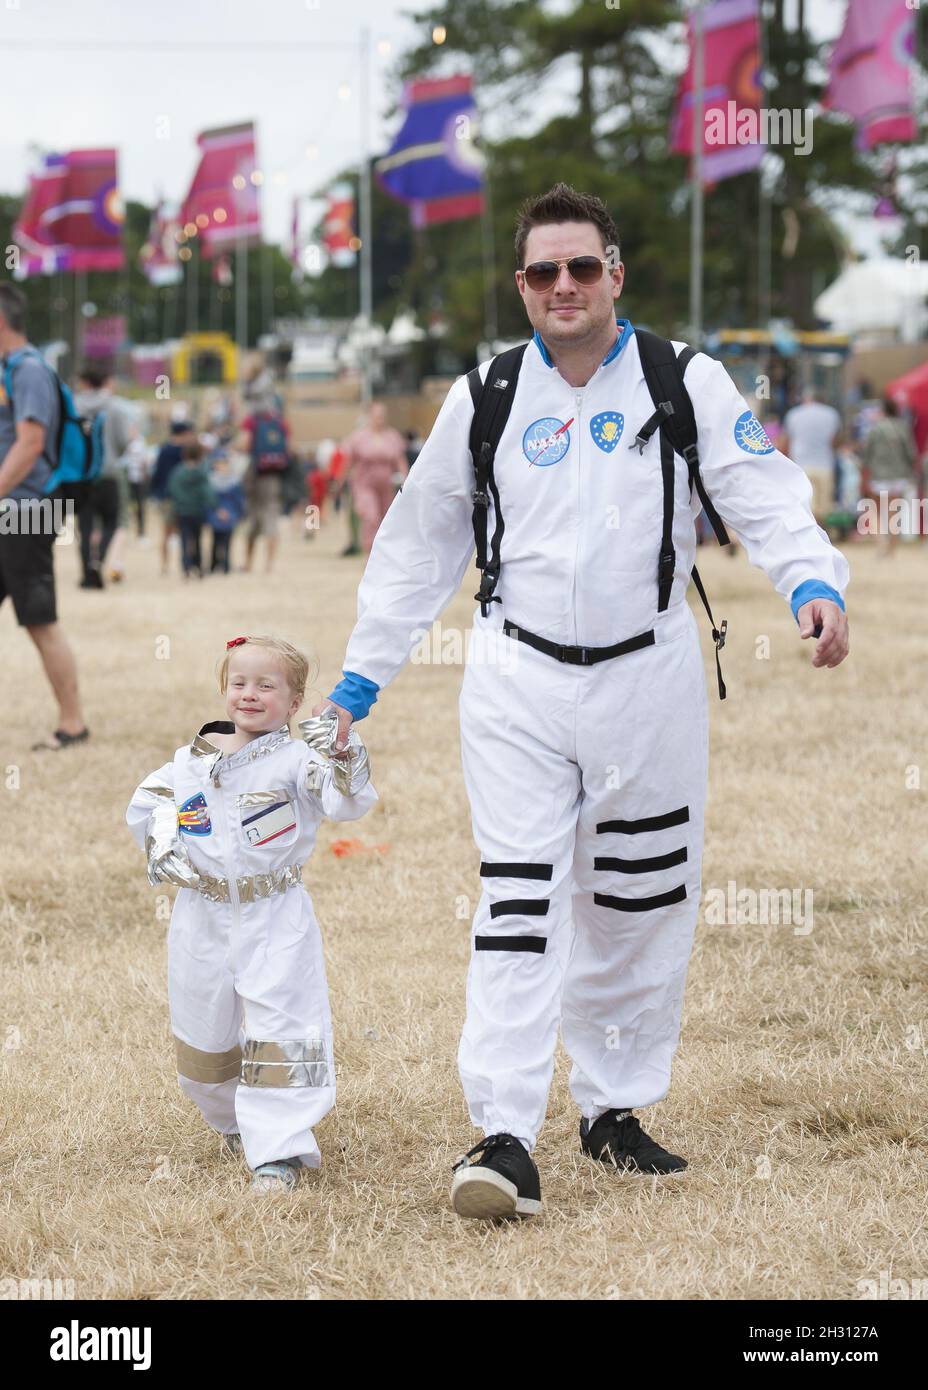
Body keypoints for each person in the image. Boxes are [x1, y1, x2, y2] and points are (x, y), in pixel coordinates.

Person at [311, 183, 850, 1221]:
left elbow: (760, 489)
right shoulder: (486, 396)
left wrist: (812, 584)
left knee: (637, 897)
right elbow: (419, 544)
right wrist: (357, 682)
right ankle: (503, 1133)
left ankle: (613, 1108)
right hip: (515, 676)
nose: (564, 286)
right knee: (517, 900)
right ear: (521, 286)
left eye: (582, 266)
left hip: (648, 674)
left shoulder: (680, 381)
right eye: (543, 271)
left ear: (615, 273)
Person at [125, 635, 377, 1192]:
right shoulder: (188, 765)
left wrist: (338, 749)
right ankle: (233, 1121)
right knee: (204, 1034)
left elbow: (346, 801)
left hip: (275, 914)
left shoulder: (297, 761)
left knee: (283, 1027)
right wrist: (174, 851)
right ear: (223, 691)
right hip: (202, 916)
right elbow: (145, 807)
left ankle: (280, 1149)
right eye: (239, 683)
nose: (250, 694)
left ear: (293, 702)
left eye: (267, 685)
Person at [0, 282, 89, 752]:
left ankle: (73, 723)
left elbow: (31, 443)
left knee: (38, 619)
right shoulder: (10, 369)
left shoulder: (29, 369)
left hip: (26, 512)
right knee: (37, 619)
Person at [72, 365, 135, 588]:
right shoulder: (115, 407)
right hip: (108, 472)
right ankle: (99, 561)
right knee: (111, 522)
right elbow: (125, 441)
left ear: (85, 382)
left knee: (85, 527)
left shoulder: (74, 406)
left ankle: (87, 571)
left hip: (82, 475)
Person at [341, 402, 408, 553]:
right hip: (364, 484)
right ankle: (369, 553)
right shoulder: (358, 437)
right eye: (377, 415)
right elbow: (348, 461)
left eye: (382, 416)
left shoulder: (392, 436)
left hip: (385, 485)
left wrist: (406, 480)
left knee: (385, 521)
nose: (380, 419)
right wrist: (339, 482)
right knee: (371, 516)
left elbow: (400, 460)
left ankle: (382, 554)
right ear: (369, 416)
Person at [861, 396, 917, 555]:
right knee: (893, 510)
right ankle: (892, 546)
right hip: (899, 474)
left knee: (874, 509)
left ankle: (881, 542)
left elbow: (867, 454)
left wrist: (864, 473)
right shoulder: (902, 427)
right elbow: (911, 453)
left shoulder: (876, 428)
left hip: (879, 474)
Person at [239, 401, 290, 575]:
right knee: (271, 519)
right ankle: (269, 564)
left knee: (254, 519)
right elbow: (288, 449)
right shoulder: (280, 422)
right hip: (274, 476)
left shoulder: (251, 421)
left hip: (255, 475)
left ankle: (248, 562)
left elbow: (245, 445)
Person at [782, 388, 843, 524]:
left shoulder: (793, 414)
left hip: (800, 464)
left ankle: (812, 533)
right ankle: (818, 531)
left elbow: (786, 442)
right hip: (824, 464)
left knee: (807, 504)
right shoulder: (831, 414)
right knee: (823, 506)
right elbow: (835, 441)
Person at [150, 421, 194, 576]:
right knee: (185, 532)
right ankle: (186, 564)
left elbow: (157, 473)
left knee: (166, 534)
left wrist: (155, 492)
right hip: (181, 497)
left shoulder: (164, 449)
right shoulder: (186, 451)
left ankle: (165, 566)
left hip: (165, 496)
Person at [168, 441, 215, 578]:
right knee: (197, 539)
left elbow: (173, 490)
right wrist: (214, 505)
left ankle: (186, 567)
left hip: (182, 511)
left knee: (184, 539)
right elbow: (207, 492)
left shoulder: (178, 471)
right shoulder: (202, 472)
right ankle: (198, 566)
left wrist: (180, 504)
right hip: (198, 511)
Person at [206, 453, 246, 574]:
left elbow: (239, 500)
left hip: (230, 514)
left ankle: (226, 566)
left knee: (228, 542)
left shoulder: (234, 481)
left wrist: (238, 514)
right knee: (215, 542)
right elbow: (208, 499)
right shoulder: (210, 480)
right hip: (215, 514)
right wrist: (216, 511)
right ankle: (213, 565)